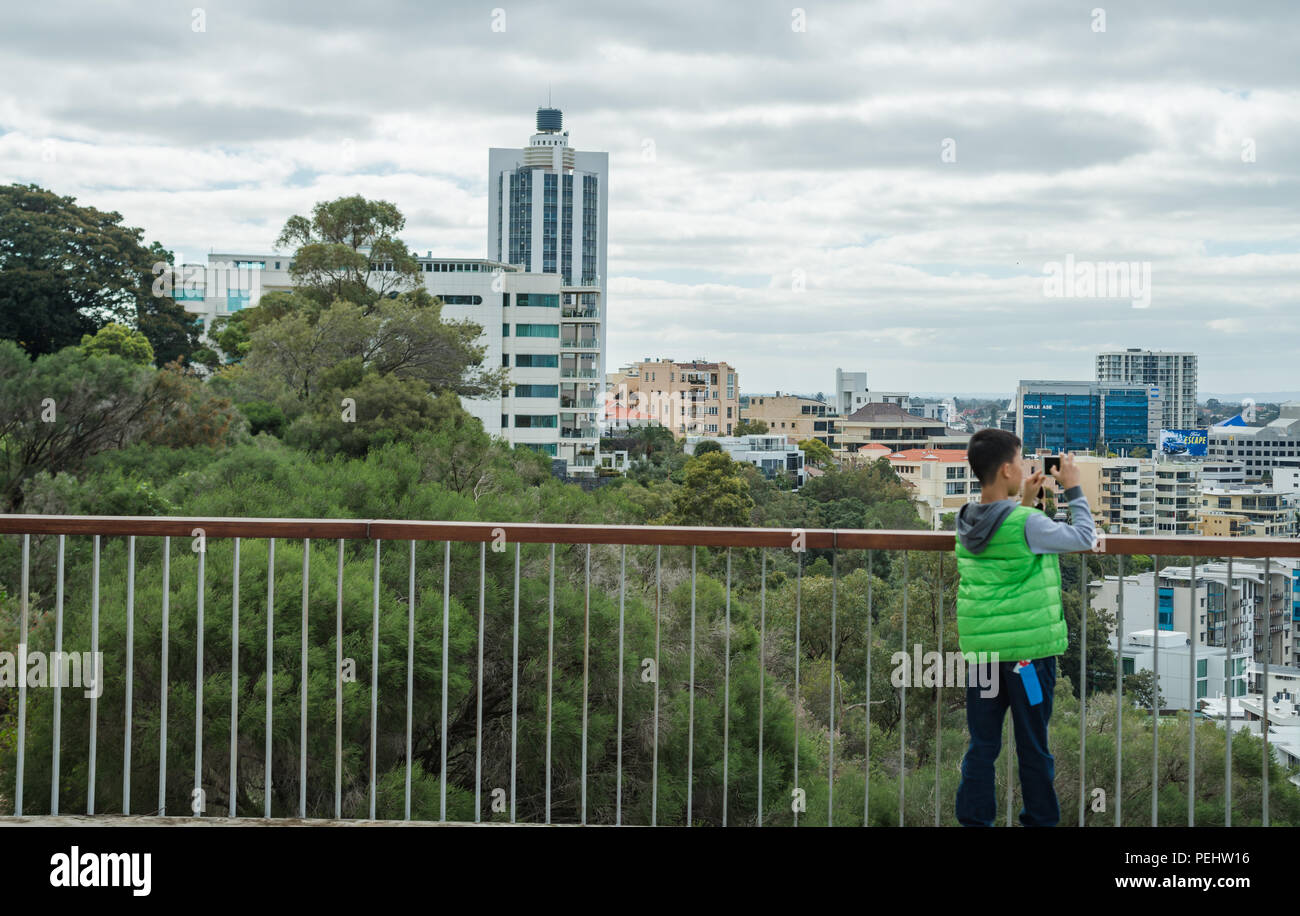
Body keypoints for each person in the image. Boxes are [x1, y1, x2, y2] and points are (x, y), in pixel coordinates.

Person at [952, 429, 1095, 827]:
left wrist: (1028, 504)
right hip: (1028, 663)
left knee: (982, 744)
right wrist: (1074, 489)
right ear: (1004, 469)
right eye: (1019, 460)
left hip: (984, 661)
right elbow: (1084, 537)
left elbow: (1008, 534)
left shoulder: (964, 521)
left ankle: (975, 821)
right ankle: (1039, 820)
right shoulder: (1026, 523)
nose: (1023, 466)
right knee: (1033, 744)